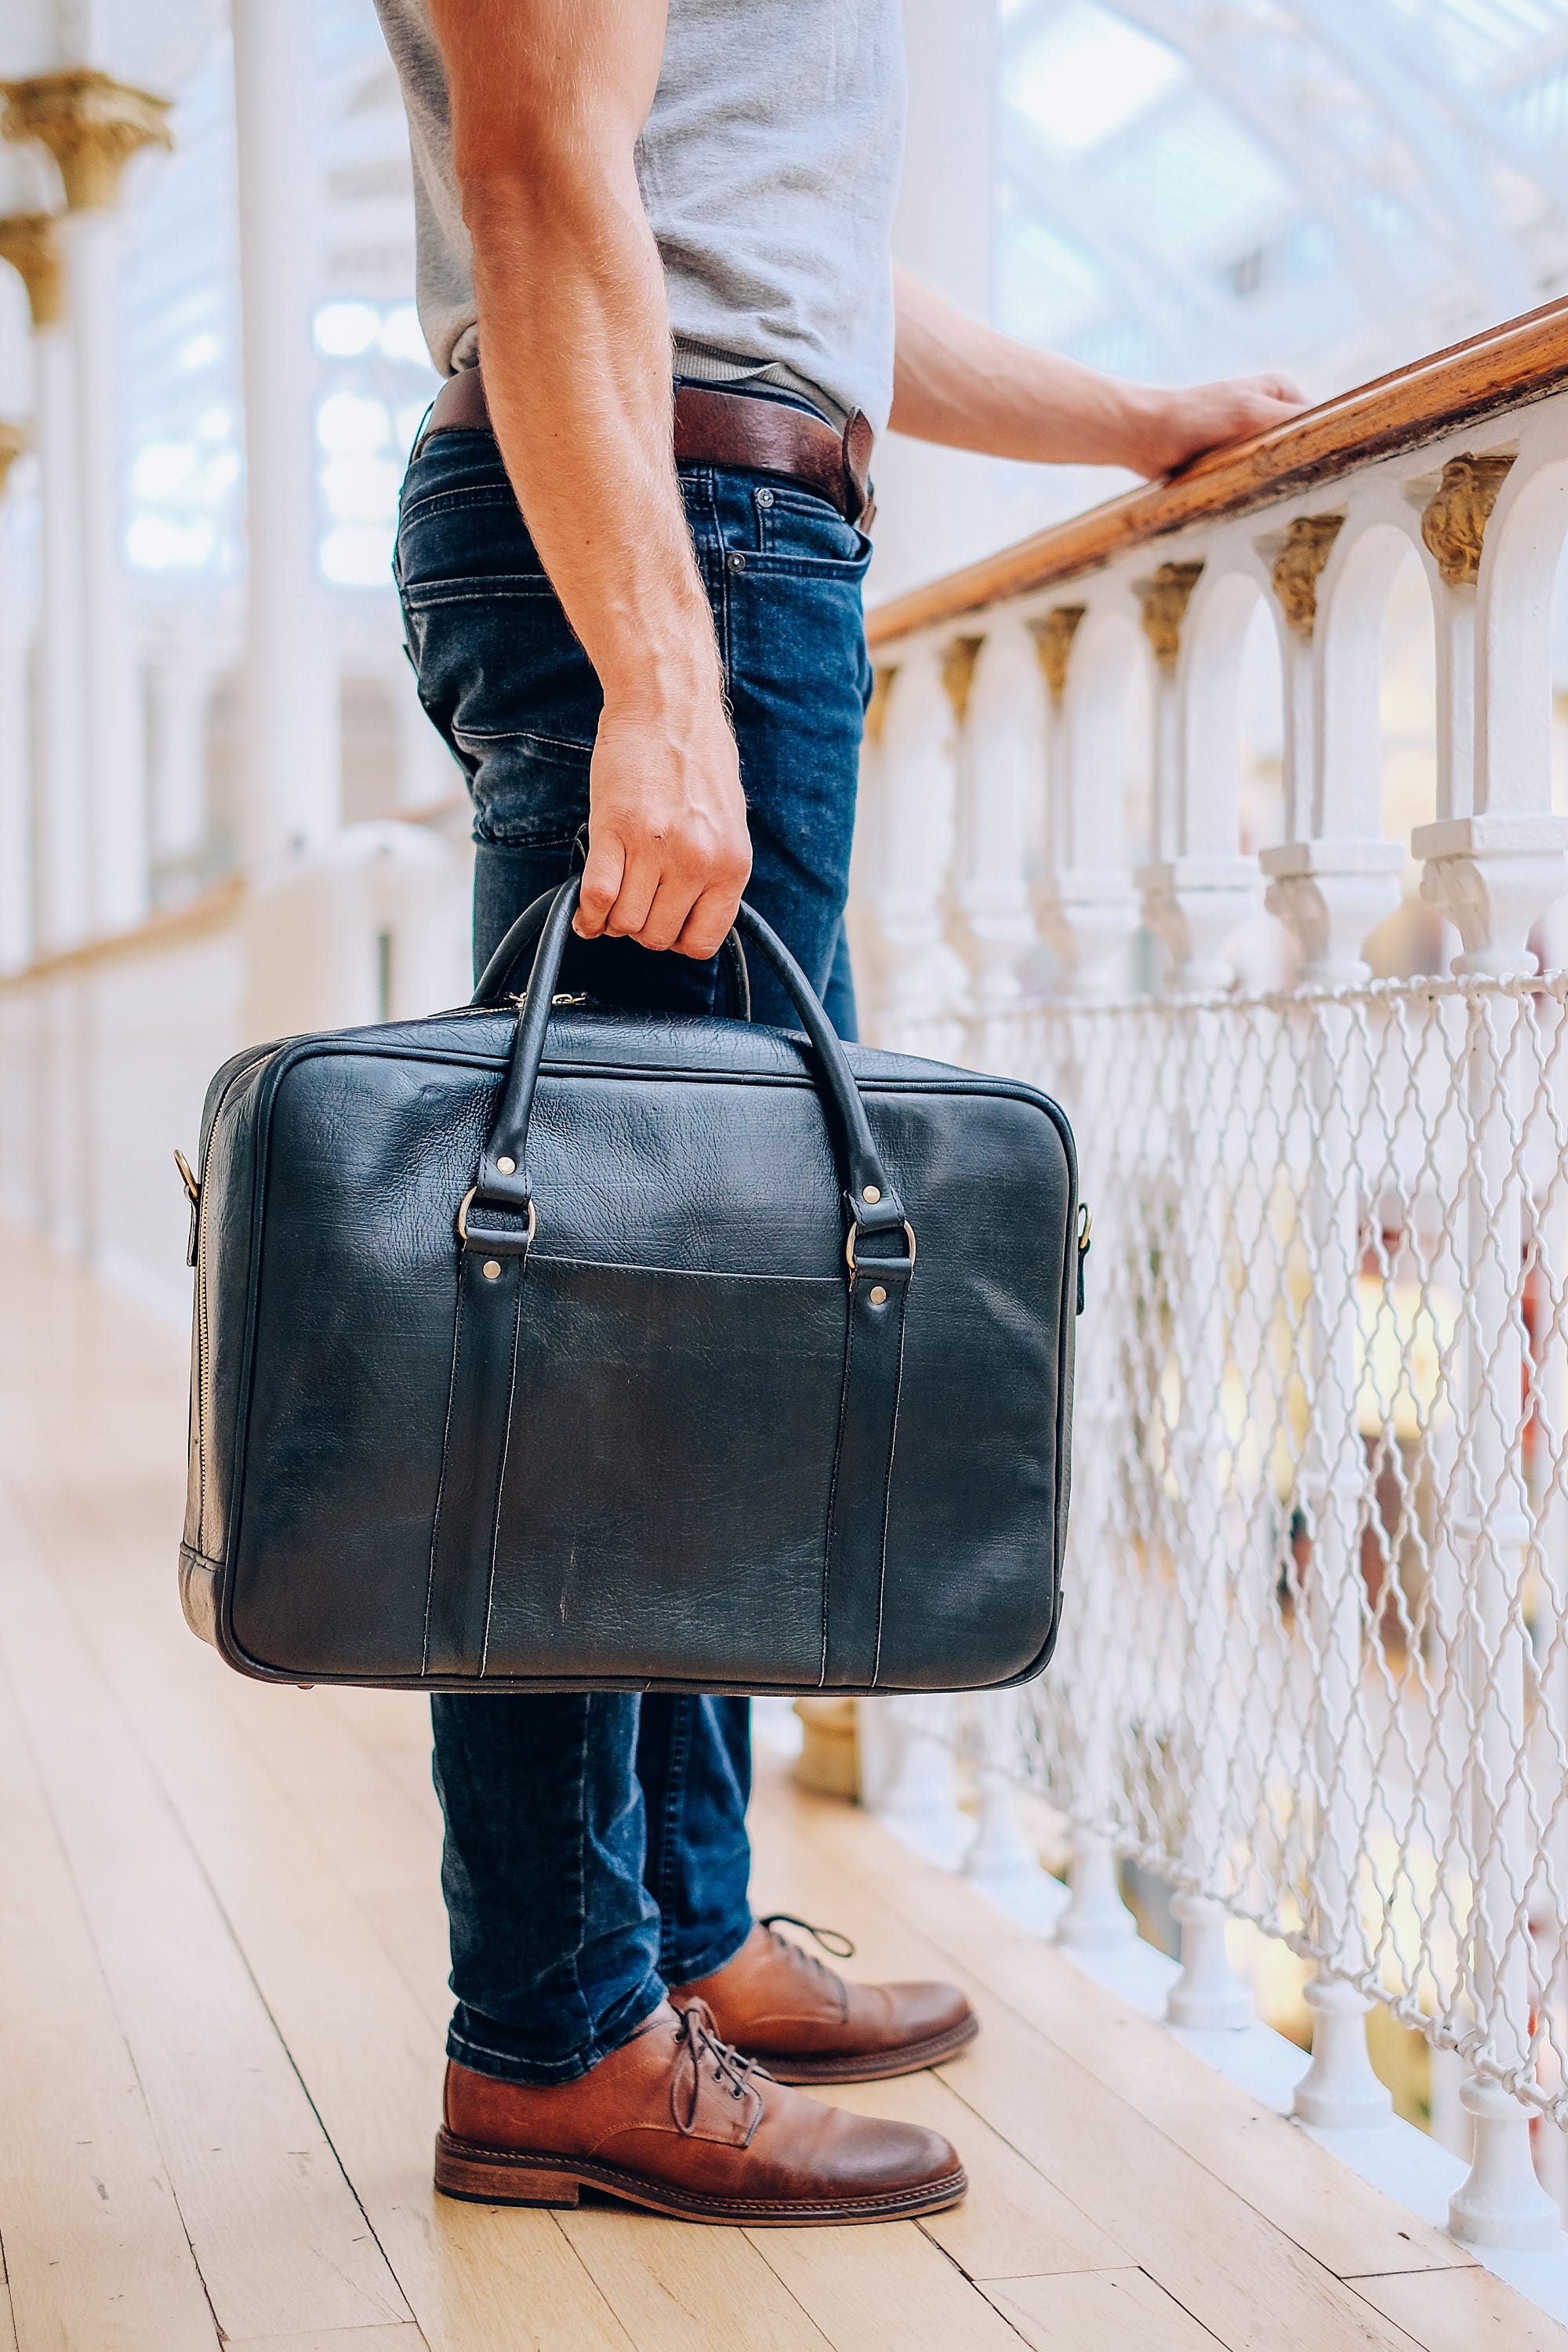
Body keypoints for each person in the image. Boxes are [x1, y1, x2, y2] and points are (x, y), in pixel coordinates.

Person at [375, 0, 1302, 2227]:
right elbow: (536, 169)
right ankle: (556, 2034)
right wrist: (664, 680)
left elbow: (759, 247)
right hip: (668, 534)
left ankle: (667, 1928)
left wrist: (1132, 416)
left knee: (710, 1318)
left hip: (708, 505)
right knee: (602, 1338)